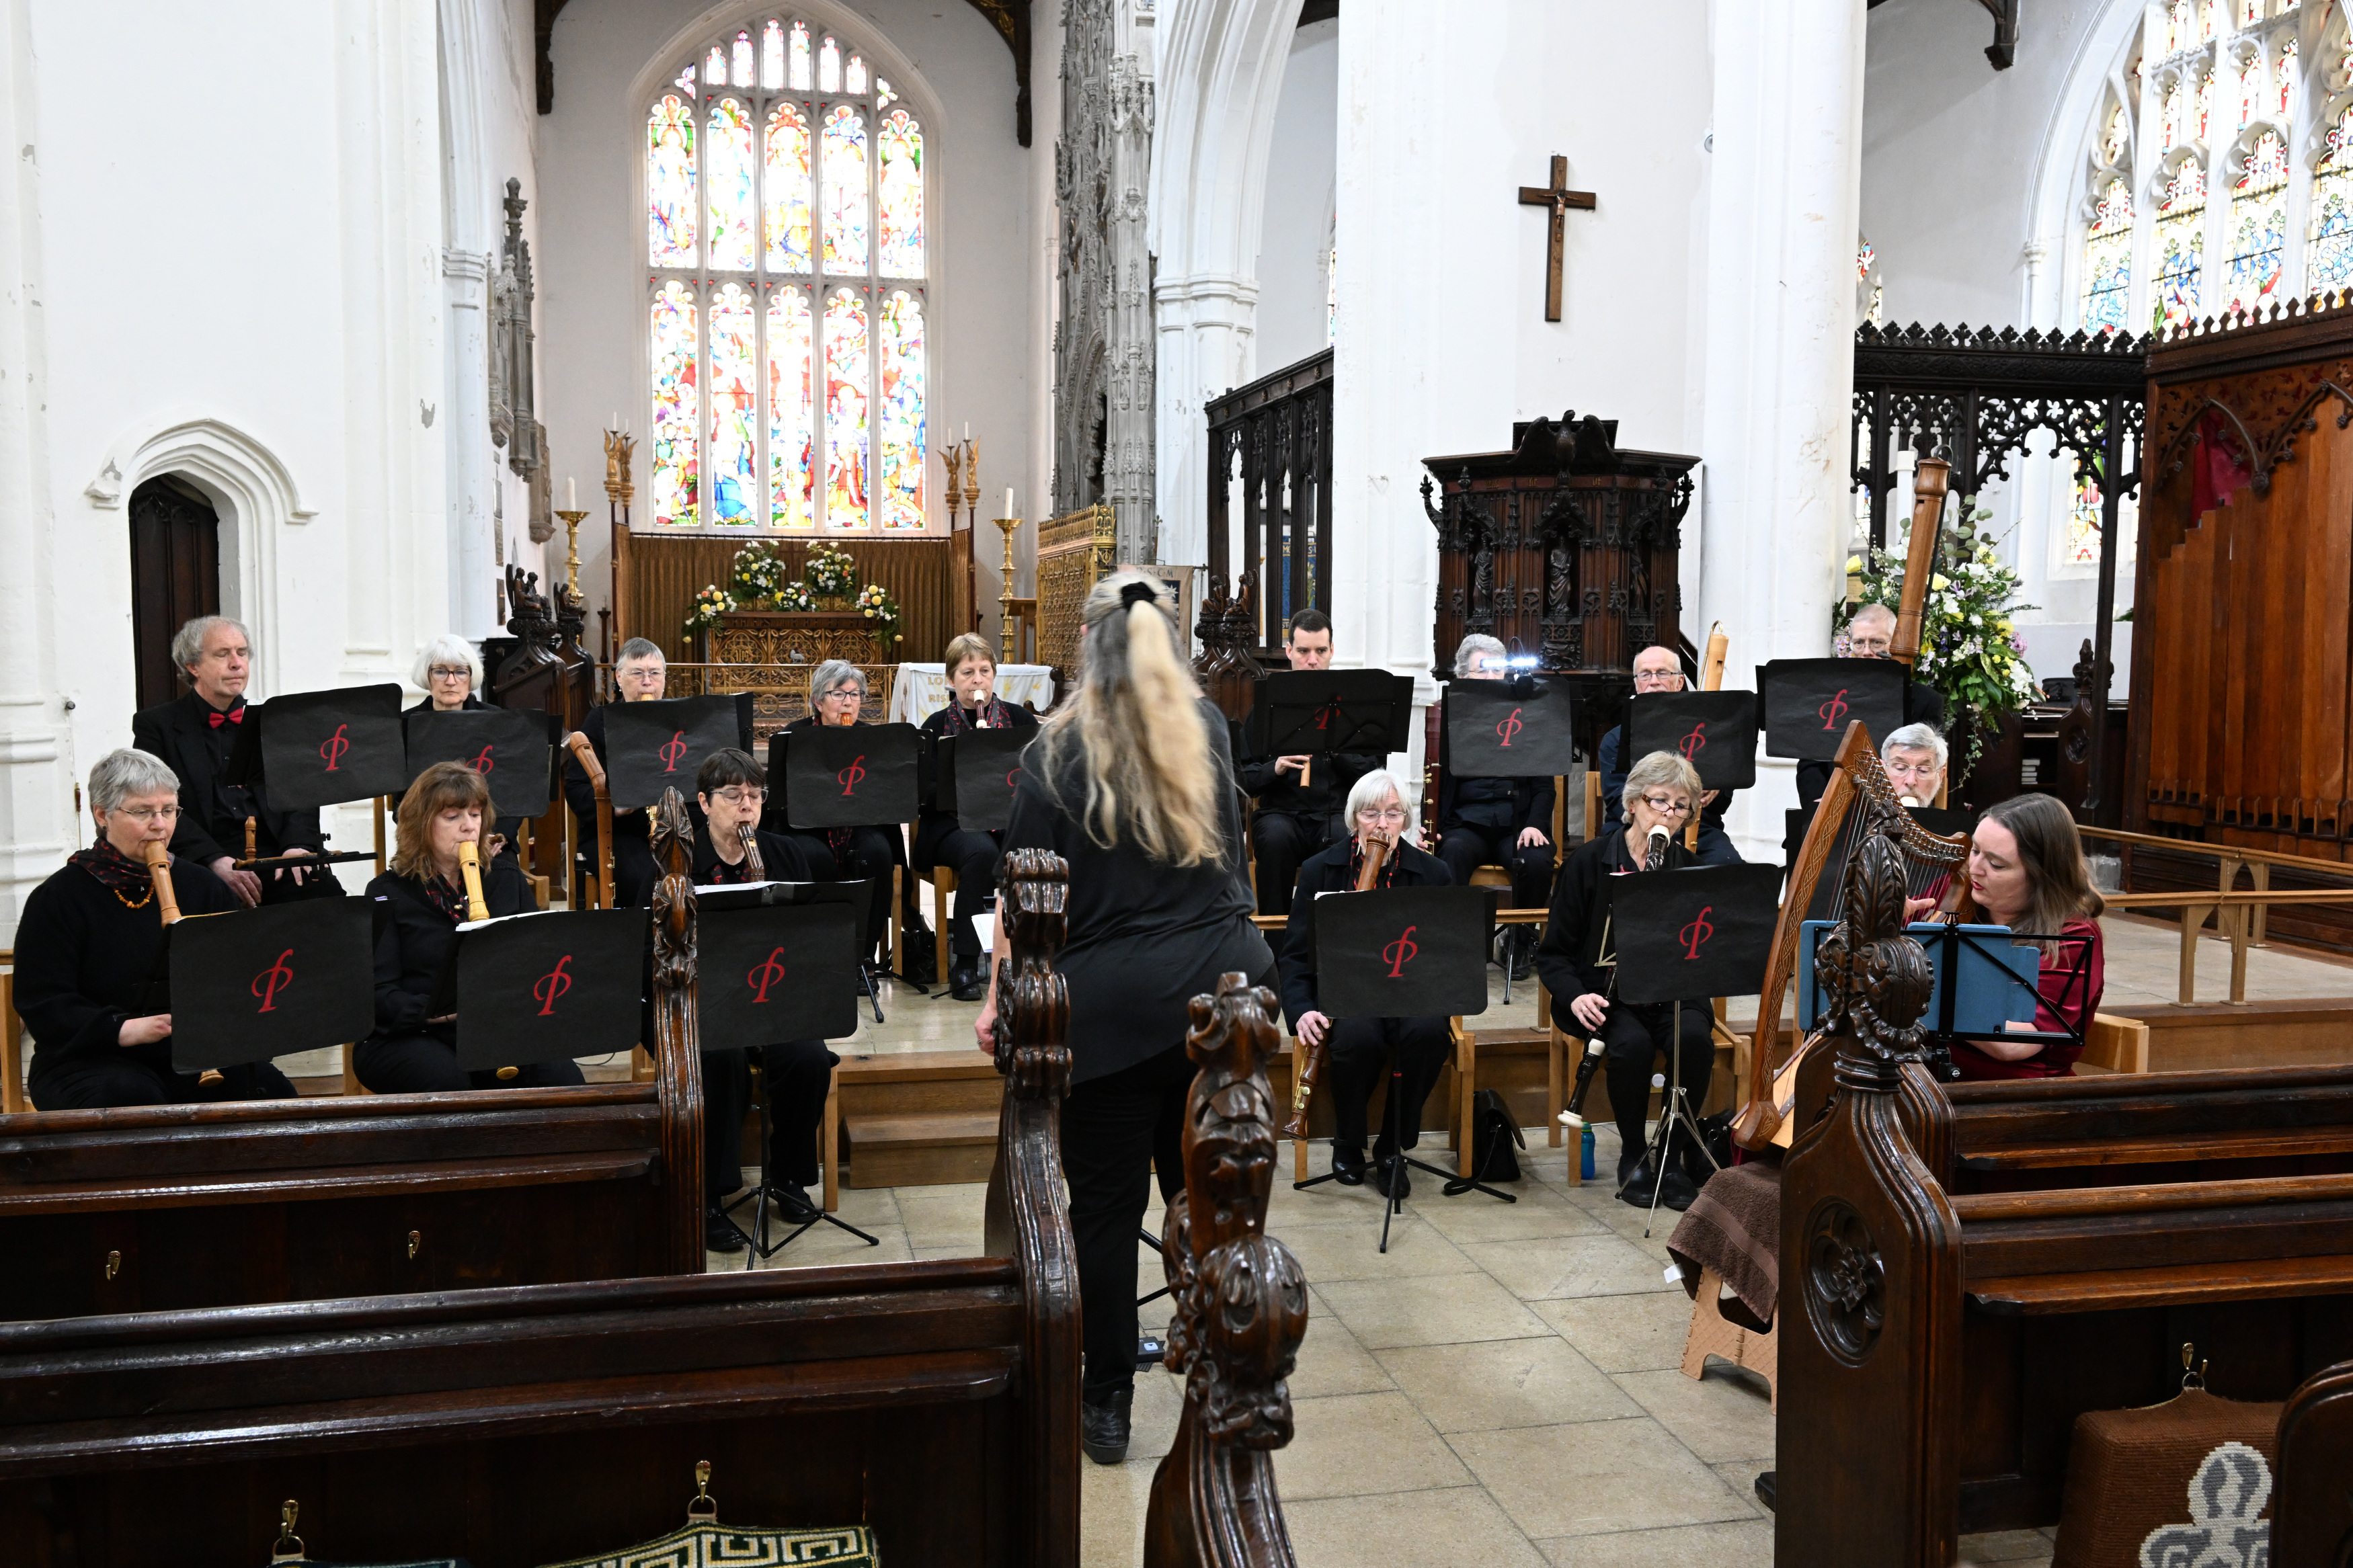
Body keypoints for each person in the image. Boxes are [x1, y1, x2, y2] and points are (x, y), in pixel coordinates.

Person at [971, 570, 1273, 1469]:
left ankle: (1106, 1400)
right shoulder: (1208, 728)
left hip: (1103, 1011)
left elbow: (1024, 899)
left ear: (1085, 642)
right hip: (1219, 999)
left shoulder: (1051, 752)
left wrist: (997, 1002)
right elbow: (1232, 859)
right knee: (1211, 1197)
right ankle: (1226, 1370)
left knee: (1104, 1213)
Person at [15, 749, 298, 1110]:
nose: (160, 825)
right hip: (88, 1058)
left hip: (189, 1054)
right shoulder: (58, 897)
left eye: (168, 811)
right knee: (130, 1100)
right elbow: (44, 1003)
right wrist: (125, 1029)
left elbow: (237, 976)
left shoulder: (202, 886)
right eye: (143, 812)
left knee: (271, 1095)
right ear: (103, 815)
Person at [1534, 749, 1715, 1212]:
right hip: (1602, 994)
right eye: (1659, 801)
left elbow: (1704, 949)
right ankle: (1634, 1152)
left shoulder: (1689, 867)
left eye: (1680, 805)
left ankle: (1672, 1154)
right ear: (1633, 802)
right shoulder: (1590, 862)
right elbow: (1553, 952)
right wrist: (1575, 997)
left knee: (1693, 1038)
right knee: (1630, 1046)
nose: (1669, 814)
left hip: (1671, 989)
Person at [355, 761, 588, 1095]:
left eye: (476, 815)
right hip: (411, 1034)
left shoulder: (506, 881)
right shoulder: (388, 892)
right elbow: (377, 993)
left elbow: (538, 963)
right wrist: (433, 1012)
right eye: (453, 817)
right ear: (421, 826)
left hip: (495, 1029)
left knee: (563, 1080)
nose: (469, 828)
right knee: (447, 1082)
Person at [1279, 770, 1453, 1194]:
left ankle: (1394, 1147)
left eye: (1393, 814)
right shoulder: (1322, 870)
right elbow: (1295, 954)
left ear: (1406, 821)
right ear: (1354, 819)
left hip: (1410, 991)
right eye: (1371, 813)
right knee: (1357, 1039)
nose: (1382, 824)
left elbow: (1447, 954)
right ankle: (1349, 1141)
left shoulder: (1433, 873)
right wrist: (1302, 1011)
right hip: (1345, 994)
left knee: (1430, 1034)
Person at [690, 747, 834, 1252]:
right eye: (734, 795)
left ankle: (790, 1178)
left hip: (772, 995)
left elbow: (812, 936)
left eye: (755, 795)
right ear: (706, 803)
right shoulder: (680, 858)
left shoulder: (787, 854)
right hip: (707, 999)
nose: (747, 805)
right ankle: (710, 1194)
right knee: (721, 1059)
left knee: (809, 1058)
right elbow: (653, 946)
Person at [131, 614, 329, 909]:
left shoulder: (275, 719)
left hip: (278, 854)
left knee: (330, 906)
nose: (237, 663)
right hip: (205, 861)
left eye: (242, 653)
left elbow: (302, 790)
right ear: (193, 666)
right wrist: (213, 860)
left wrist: (297, 847)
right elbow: (154, 804)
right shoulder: (157, 726)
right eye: (222, 654)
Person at [1913, 792, 2106, 1081]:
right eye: (1975, 850)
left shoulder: (2070, 937)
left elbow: (2013, 1045)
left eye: (1997, 864)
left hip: (2012, 1095)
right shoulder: (1954, 893)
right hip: (1923, 1079)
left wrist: (1914, 984)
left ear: (2041, 874)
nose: (1975, 868)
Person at [773, 659, 934, 981]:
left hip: (861, 826)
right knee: (813, 857)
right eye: (839, 694)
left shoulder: (869, 737)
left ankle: (862, 956)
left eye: (856, 694)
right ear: (818, 701)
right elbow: (780, 798)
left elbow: (887, 794)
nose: (849, 702)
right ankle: (816, 953)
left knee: (877, 853)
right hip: (808, 827)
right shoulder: (796, 735)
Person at [916, 633, 1041, 1000]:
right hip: (952, 824)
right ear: (950, 680)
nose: (977, 680)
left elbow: (1038, 774)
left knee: (1037, 849)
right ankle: (966, 962)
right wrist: (967, 782)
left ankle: (1032, 955)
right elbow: (923, 792)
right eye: (967, 672)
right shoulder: (936, 725)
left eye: (984, 671)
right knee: (982, 853)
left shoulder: (1018, 718)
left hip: (1008, 820)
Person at [1236, 609, 1382, 915]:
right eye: (1303, 651)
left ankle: (1331, 947)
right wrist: (1274, 768)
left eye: (1320, 651)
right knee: (1275, 839)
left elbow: (1374, 775)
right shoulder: (1266, 707)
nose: (1312, 660)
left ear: (1332, 651)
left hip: (1337, 815)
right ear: (1289, 652)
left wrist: (1337, 750)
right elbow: (1243, 779)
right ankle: (1276, 949)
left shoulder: (1356, 708)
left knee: (1345, 840)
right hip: (1282, 815)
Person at [1432, 634, 1556, 979]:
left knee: (1536, 859)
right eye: (1480, 671)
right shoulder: (1448, 718)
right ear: (1463, 677)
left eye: (1495, 671)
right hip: (1465, 824)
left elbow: (1545, 786)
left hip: (1516, 823)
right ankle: (1458, 946)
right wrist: (1437, 827)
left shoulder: (1529, 717)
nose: (1489, 679)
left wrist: (1535, 824)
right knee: (1451, 854)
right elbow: (1436, 778)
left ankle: (1521, 940)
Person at [1596, 644, 1741, 864]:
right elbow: (1620, 802)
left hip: (1697, 831)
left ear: (1680, 682)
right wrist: (1666, 838)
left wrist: (1717, 786)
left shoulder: (1703, 734)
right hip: (1633, 830)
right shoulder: (1615, 740)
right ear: (1636, 684)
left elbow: (1720, 806)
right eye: (1645, 674)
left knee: (1730, 871)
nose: (1654, 681)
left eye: (1663, 673)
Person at [563, 636, 668, 910]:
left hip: (677, 828)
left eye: (655, 673)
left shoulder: (679, 720)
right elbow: (576, 787)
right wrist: (616, 804)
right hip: (618, 832)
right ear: (619, 678)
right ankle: (643, 944)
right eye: (637, 673)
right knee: (643, 875)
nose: (648, 682)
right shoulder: (601, 721)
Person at [410, 634, 488, 714]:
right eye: (440, 672)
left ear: (472, 677)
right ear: (426, 676)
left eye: (460, 672)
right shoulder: (405, 722)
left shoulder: (493, 719)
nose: (451, 682)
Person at [1880, 721, 1948, 808]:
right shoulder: (1862, 818)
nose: (1911, 781)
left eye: (1923, 770)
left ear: (1941, 775)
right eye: (1900, 768)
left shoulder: (1950, 821)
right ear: (1881, 770)